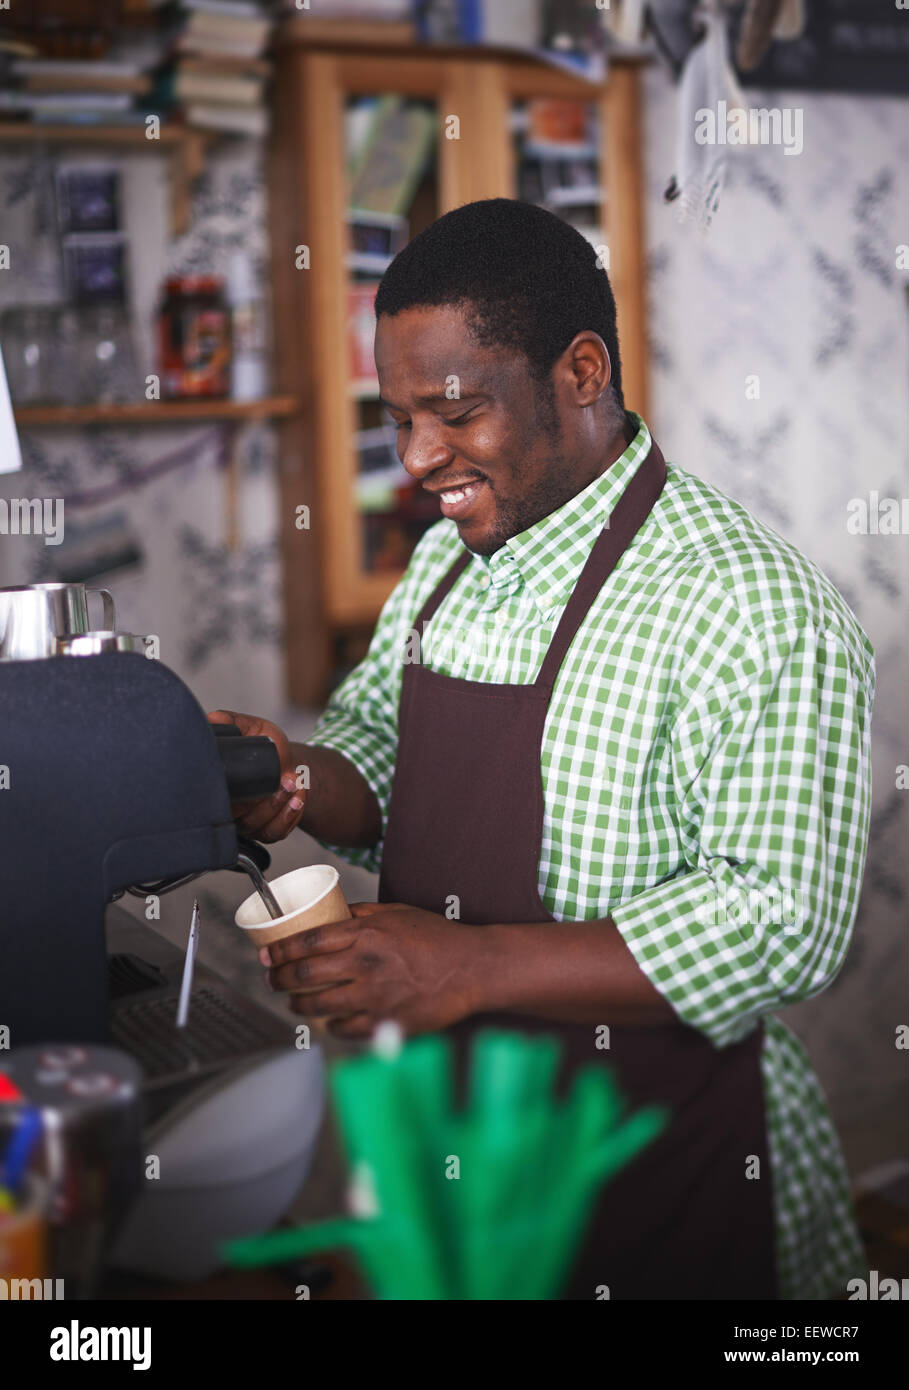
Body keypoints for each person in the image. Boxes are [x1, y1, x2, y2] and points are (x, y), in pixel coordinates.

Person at [210, 198, 873, 1300]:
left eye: (456, 411)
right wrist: (282, 773)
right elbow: (377, 750)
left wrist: (462, 964)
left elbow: (784, 921)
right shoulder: (448, 566)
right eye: (399, 419)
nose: (420, 457)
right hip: (469, 1146)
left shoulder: (749, 604)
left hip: (670, 1163)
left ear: (578, 371)